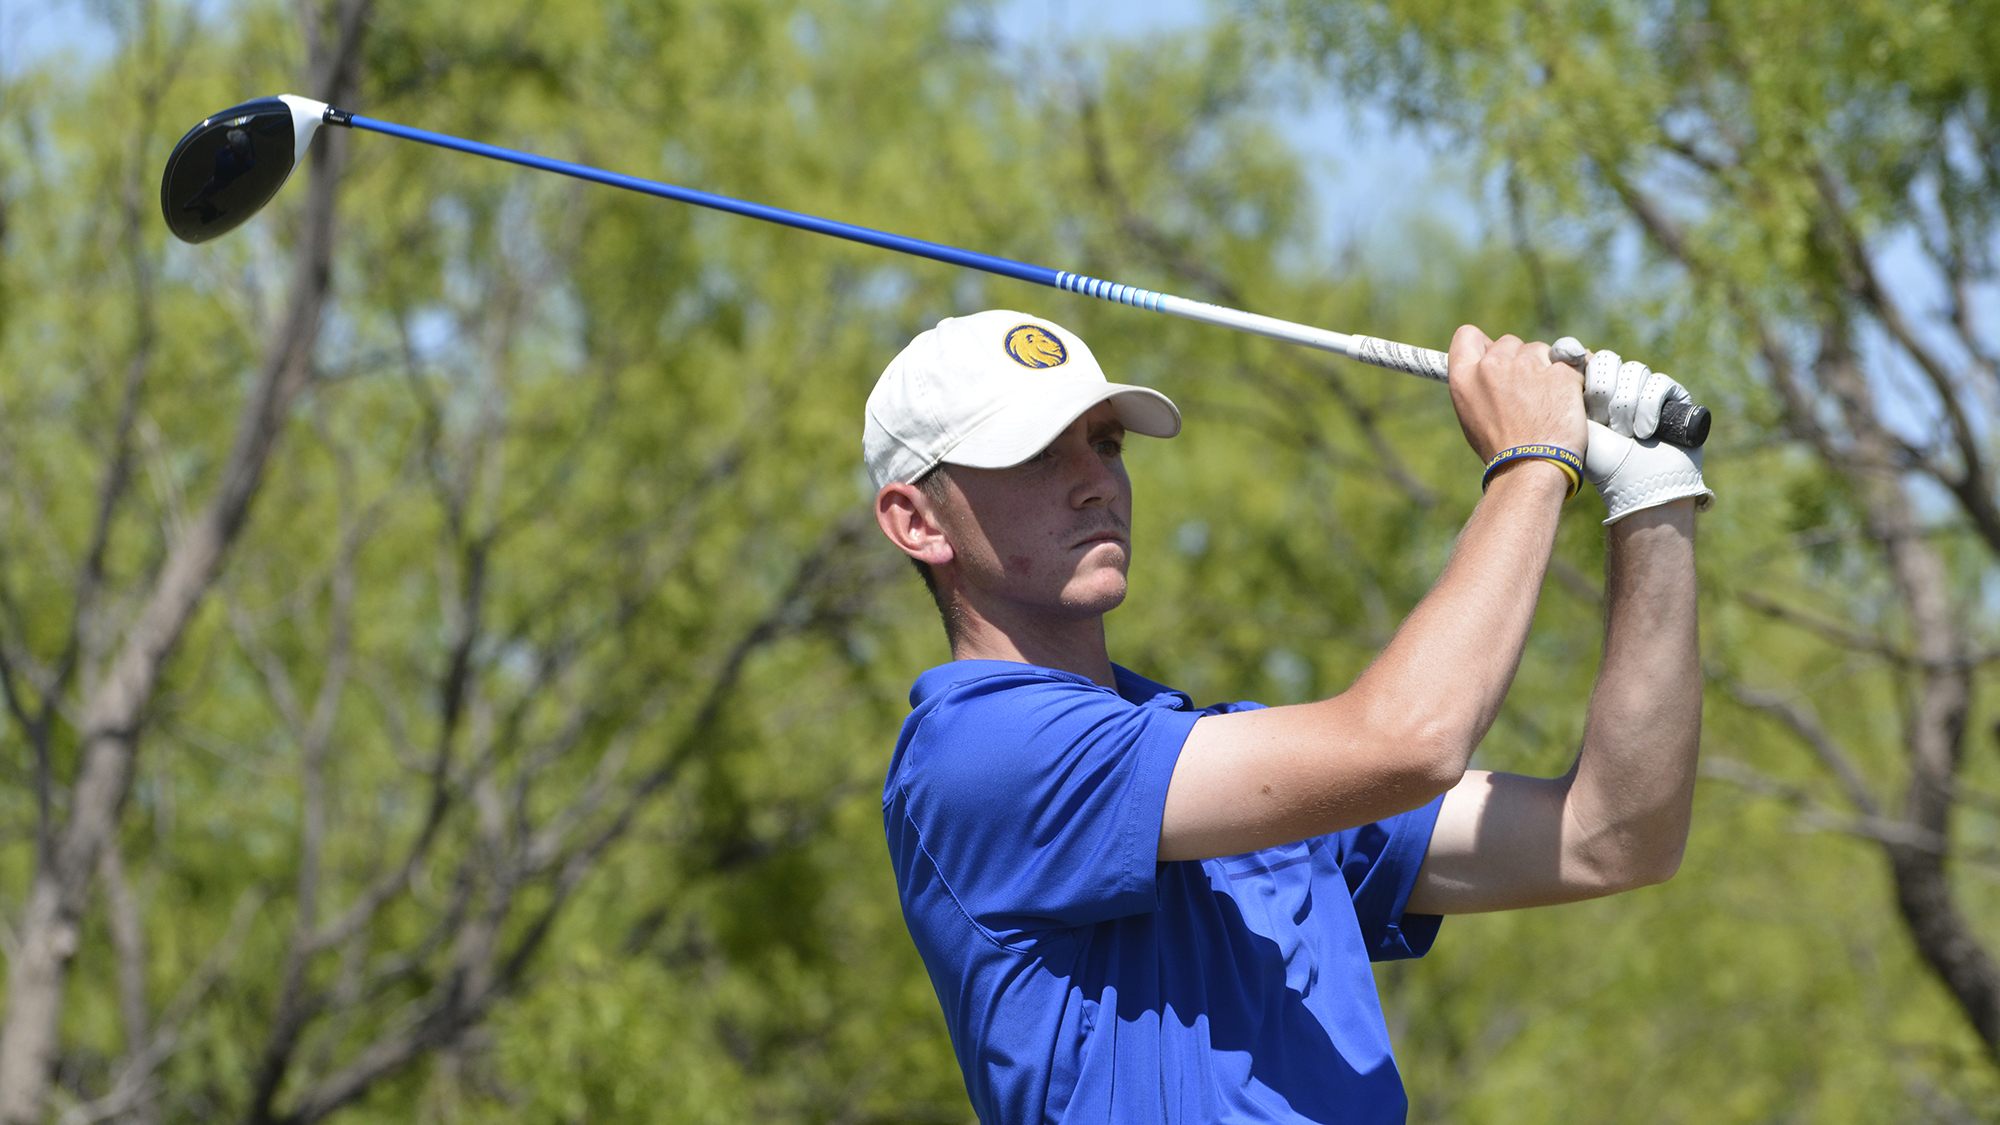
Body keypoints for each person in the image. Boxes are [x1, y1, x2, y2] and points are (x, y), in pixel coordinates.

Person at [865, 309, 1710, 1124]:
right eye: (1038, 454)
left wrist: (1653, 500)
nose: (1097, 483)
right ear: (917, 521)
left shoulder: (1212, 754)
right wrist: (1532, 462)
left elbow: (1611, 835)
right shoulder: (975, 751)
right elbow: (1412, 739)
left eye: (1106, 443)